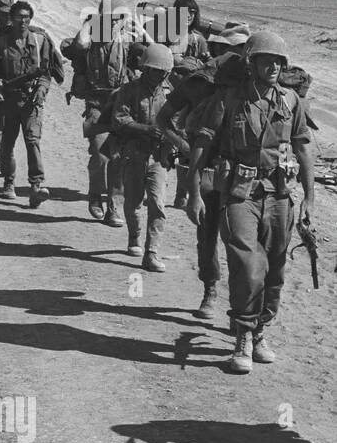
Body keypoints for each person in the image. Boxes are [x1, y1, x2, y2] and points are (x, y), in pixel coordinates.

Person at [186, 30, 313, 373]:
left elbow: (302, 148)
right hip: (240, 194)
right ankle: (242, 334)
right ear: (251, 63)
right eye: (266, 60)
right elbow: (202, 142)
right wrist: (194, 191)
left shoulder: (290, 101)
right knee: (247, 266)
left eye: (278, 61)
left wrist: (309, 198)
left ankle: (260, 331)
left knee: (275, 269)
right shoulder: (229, 99)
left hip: (280, 196)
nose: (272, 66)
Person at [155, 24, 250, 319]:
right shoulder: (199, 82)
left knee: (242, 240)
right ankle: (210, 290)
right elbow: (163, 118)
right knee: (208, 234)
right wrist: (185, 146)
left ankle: (241, 305)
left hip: (243, 172)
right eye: (230, 51)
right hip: (206, 169)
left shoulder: (253, 84)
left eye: (240, 51)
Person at [60, 2, 147, 224]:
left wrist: (138, 27)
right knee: (99, 152)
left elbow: (153, 54)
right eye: (109, 18)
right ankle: (95, 195)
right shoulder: (91, 39)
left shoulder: (128, 41)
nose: (114, 23)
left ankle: (114, 206)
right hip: (97, 104)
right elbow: (78, 45)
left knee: (118, 157)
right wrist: (89, 23)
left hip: (122, 106)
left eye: (118, 18)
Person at [0, 1, 65, 206]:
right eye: (19, 17)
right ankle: (9, 182)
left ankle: (36, 186)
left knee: (32, 141)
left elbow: (47, 72)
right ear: (12, 18)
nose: (23, 21)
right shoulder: (1, 43)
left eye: (27, 17)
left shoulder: (39, 41)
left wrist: (41, 90)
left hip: (31, 101)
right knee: (7, 145)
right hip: (8, 102)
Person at [111, 43, 178, 271]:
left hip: (159, 158)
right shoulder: (128, 91)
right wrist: (145, 129)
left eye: (163, 72)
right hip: (134, 154)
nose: (158, 75)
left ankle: (151, 252)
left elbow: (180, 120)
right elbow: (119, 119)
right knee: (133, 202)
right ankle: (134, 237)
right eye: (154, 70)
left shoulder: (171, 93)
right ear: (145, 69)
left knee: (158, 204)